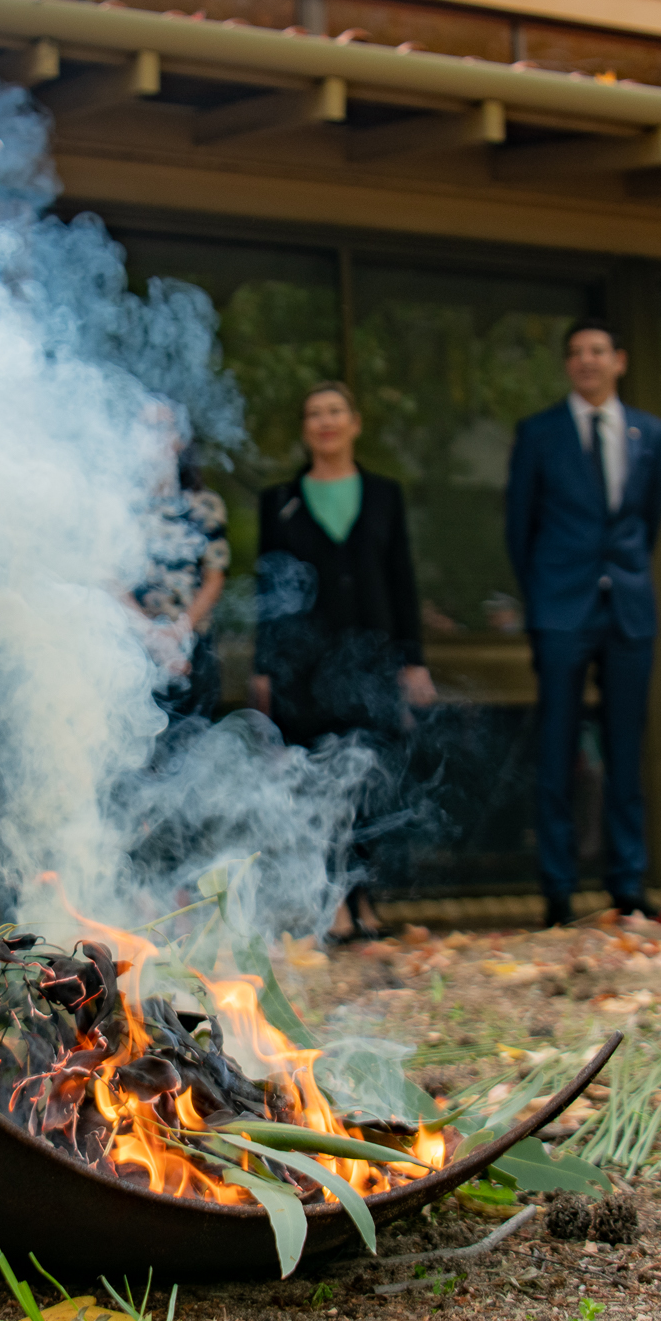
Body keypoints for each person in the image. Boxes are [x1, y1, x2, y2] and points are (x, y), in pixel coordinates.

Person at [250, 381, 436, 938]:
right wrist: (263, 667)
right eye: (314, 413)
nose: (325, 421)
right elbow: (268, 589)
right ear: (305, 429)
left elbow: (402, 579)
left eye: (335, 411)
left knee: (366, 784)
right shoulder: (278, 501)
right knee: (318, 785)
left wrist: (414, 659)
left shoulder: (384, 495)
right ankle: (330, 905)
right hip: (304, 668)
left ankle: (365, 900)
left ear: (355, 423)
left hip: (374, 662)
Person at [505, 319, 661, 927]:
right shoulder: (539, 433)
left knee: (627, 750)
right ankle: (558, 889)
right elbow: (518, 530)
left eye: (598, 350)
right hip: (560, 608)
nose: (587, 361)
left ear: (619, 360)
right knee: (558, 751)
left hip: (627, 607)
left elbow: (645, 523)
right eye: (575, 353)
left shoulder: (651, 433)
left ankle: (628, 884)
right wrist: (545, 594)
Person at [132, 427, 230, 722]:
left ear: (181, 440)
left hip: (193, 644)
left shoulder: (205, 505)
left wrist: (178, 633)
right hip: (132, 646)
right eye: (147, 428)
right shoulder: (121, 504)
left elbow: (214, 577)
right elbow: (109, 579)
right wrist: (152, 636)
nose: (156, 437)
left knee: (194, 748)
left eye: (164, 428)